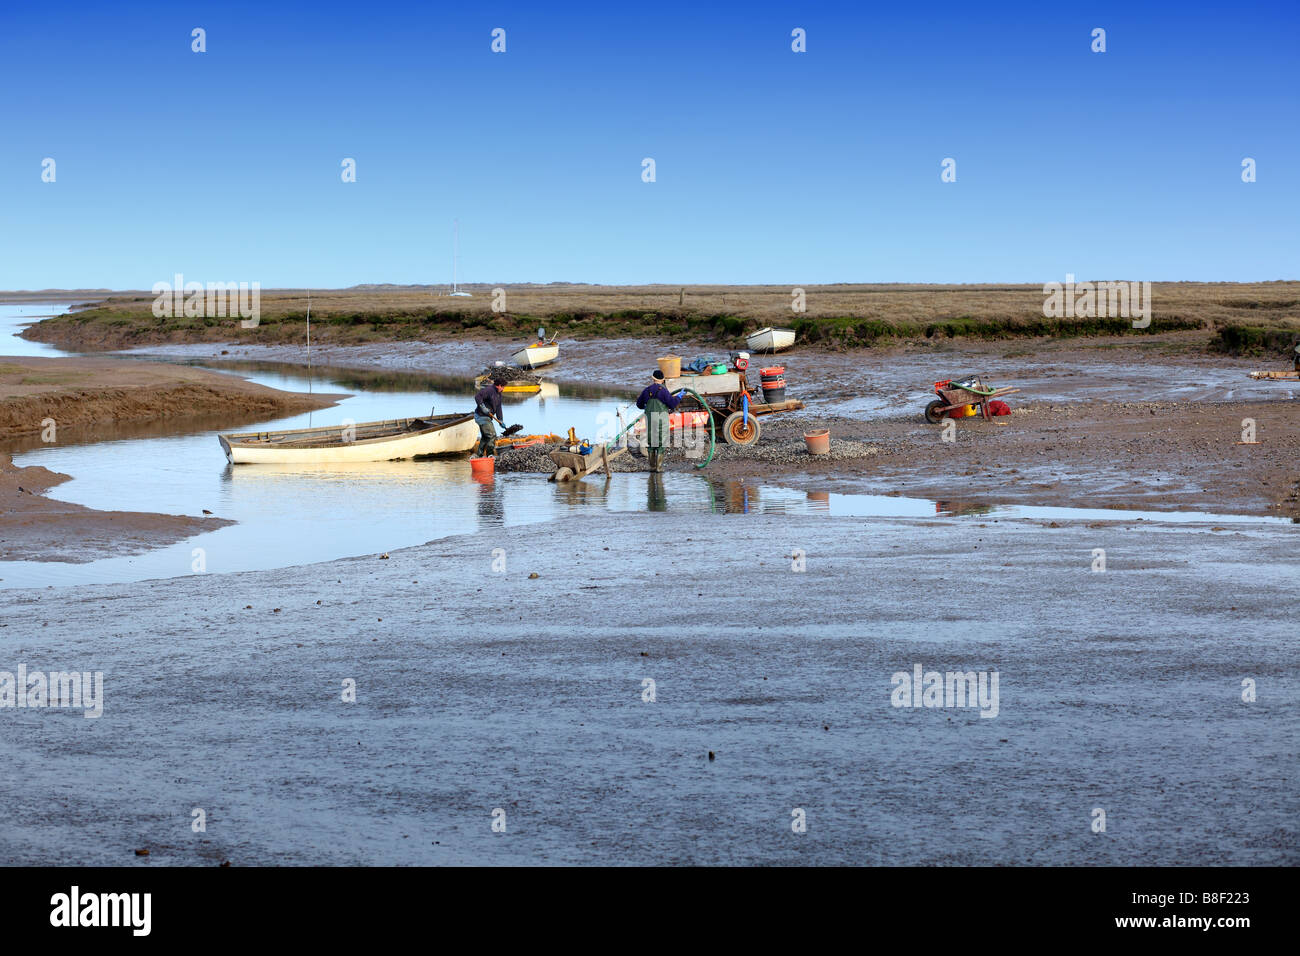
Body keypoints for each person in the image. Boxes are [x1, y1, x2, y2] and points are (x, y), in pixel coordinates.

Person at [635, 369, 681, 473]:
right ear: (663, 380)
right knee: (661, 442)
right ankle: (659, 468)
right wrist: (679, 396)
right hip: (661, 420)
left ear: (653, 378)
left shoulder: (646, 390)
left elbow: (639, 404)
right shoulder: (664, 391)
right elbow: (672, 404)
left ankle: (651, 467)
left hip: (650, 419)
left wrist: (646, 406)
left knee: (651, 442)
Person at [473, 374, 506, 457]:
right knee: (492, 435)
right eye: (503, 387)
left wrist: (500, 420)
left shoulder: (499, 394)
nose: (503, 389)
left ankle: (479, 456)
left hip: (487, 417)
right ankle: (490, 455)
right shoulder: (489, 390)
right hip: (481, 416)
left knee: (485, 437)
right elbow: (477, 397)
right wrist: (482, 407)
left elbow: (498, 408)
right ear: (498, 386)